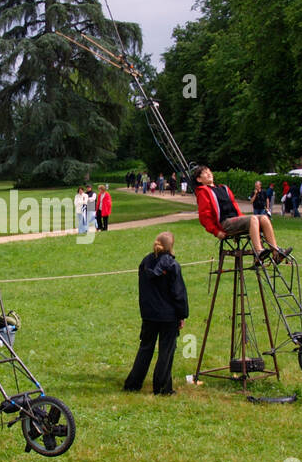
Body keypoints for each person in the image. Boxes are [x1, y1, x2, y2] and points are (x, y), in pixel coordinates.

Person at [123, 231, 189, 396]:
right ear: (171, 247)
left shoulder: (145, 262)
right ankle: (161, 387)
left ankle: (133, 384)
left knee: (145, 348)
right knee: (166, 351)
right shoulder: (173, 266)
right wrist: (182, 315)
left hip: (149, 314)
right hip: (168, 316)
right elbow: (178, 293)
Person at [194, 165, 288, 262]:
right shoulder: (203, 192)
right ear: (199, 179)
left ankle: (276, 252)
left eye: (209, 171)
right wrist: (216, 231)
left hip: (235, 220)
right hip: (225, 223)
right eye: (205, 173)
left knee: (264, 218)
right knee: (253, 219)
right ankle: (259, 252)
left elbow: (235, 208)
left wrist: (242, 220)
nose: (209, 173)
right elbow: (204, 217)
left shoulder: (224, 188)